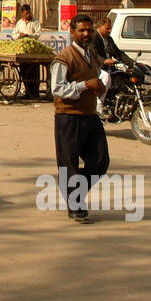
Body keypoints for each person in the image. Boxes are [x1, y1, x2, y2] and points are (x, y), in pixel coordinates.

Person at [49, 14, 109, 224]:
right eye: (82, 30)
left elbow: (96, 79)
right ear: (72, 32)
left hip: (90, 116)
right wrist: (85, 86)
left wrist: (98, 87)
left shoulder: (92, 56)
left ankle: (75, 190)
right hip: (68, 117)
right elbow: (56, 88)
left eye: (89, 30)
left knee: (100, 161)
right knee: (69, 163)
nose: (86, 34)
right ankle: (75, 206)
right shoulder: (64, 57)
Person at [14, 4, 43, 100]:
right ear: (22, 13)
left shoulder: (35, 22)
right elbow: (14, 34)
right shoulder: (19, 23)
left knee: (34, 73)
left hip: (33, 51)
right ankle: (27, 93)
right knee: (24, 72)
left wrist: (28, 35)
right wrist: (19, 35)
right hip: (22, 51)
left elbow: (38, 34)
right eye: (26, 13)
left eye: (29, 12)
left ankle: (35, 93)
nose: (29, 14)